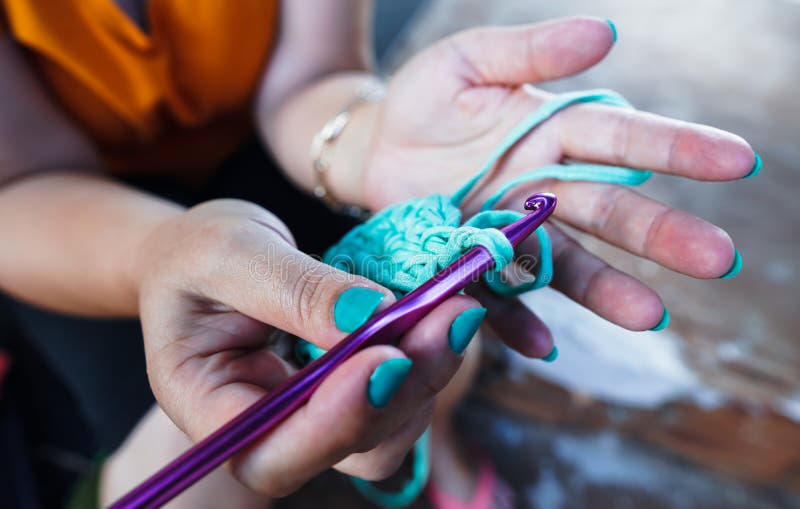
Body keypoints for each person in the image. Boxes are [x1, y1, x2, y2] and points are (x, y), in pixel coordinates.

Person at [0, 1, 757, 508]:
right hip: (74, 218)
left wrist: (367, 138)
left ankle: (443, 444)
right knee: (194, 451)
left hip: (276, 147)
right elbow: (19, 185)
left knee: (430, 324)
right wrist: (164, 250)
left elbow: (311, 76)